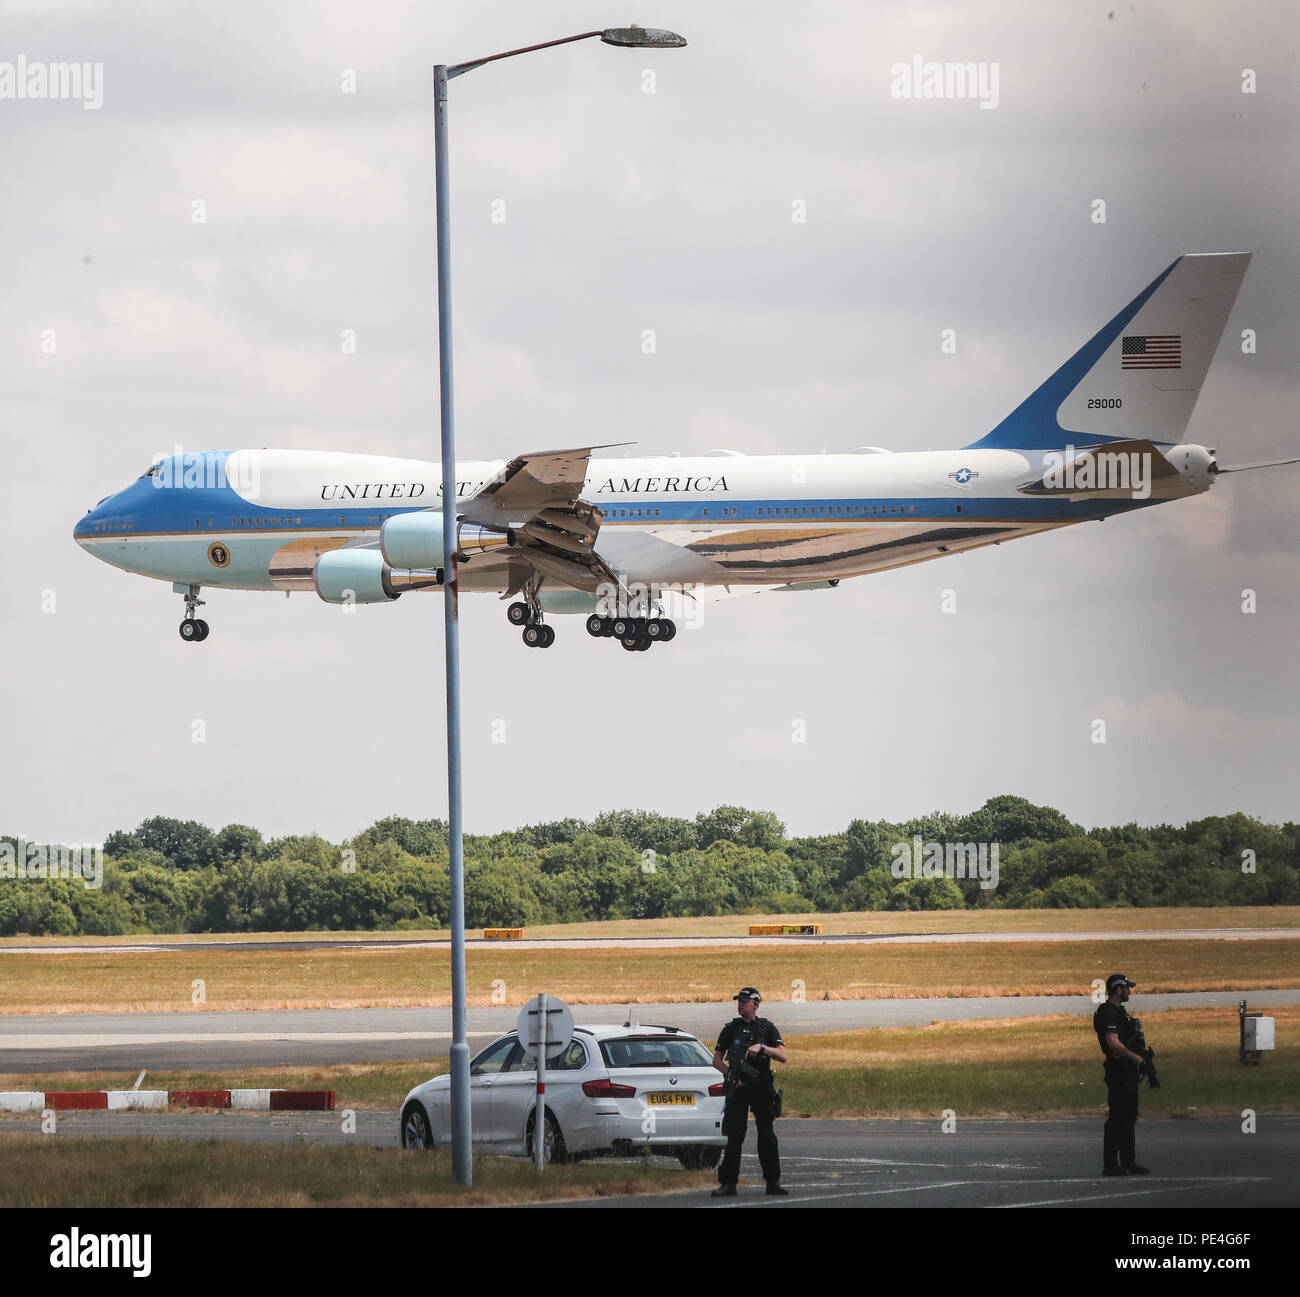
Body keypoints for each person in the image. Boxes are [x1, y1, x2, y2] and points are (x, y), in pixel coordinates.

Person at [711, 987, 788, 1197]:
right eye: (739, 1001)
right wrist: (730, 1075)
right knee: (735, 1135)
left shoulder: (767, 1028)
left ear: (755, 1005)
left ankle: (773, 1182)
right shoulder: (730, 1028)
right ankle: (728, 1183)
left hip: (761, 1087)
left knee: (766, 1134)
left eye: (744, 1002)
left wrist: (762, 1048)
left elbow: (783, 1055)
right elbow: (716, 1060)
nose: (740, 1005)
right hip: (738, 1087)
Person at [1093, 972, 1151, 1177]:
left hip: (1128, 1072)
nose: (1129, 991)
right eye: (1127, 988)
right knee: (1118, 1118)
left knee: (1129, 1116)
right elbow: (1113, 1042)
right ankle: (1111, 1165)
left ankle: (1128, 1162)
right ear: (1119, 989)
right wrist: (1134, 1058)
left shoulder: (1121, 1012)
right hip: (1118, 1072)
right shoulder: (1107, 1013)